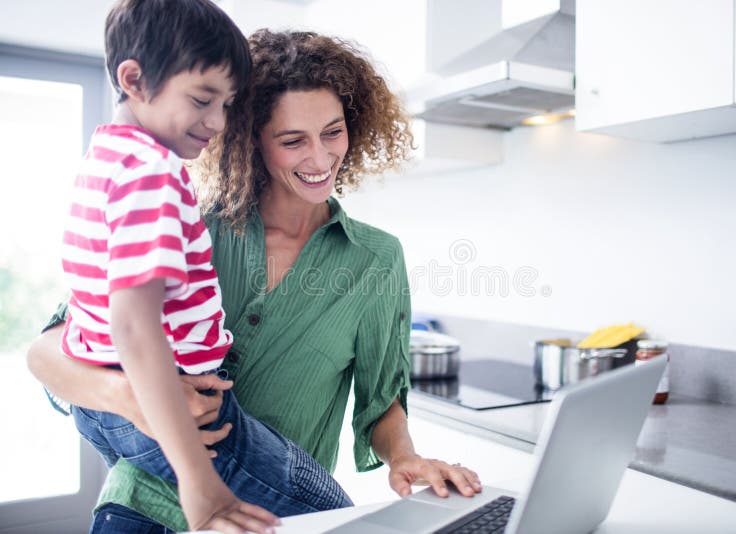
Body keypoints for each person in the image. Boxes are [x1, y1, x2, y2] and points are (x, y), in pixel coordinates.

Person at [28, 29, 483, 533]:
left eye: (332, 132)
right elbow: (47, 353)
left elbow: (382, 402)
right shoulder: (191, 226)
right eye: (293, 141)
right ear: (251, 141)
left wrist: (404, 456)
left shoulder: (375, 260)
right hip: (145, 509)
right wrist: (126, 398)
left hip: (271, 518)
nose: (319, 158)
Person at [55, 2, 351, 532]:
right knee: (333, 512)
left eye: (227, 104)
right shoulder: (154, 172)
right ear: (135, 79)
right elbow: (132, 325)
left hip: (111, 403)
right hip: (182, 411)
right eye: (202, 99)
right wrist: (196, 477)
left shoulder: (108, 156)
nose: (217, 122)